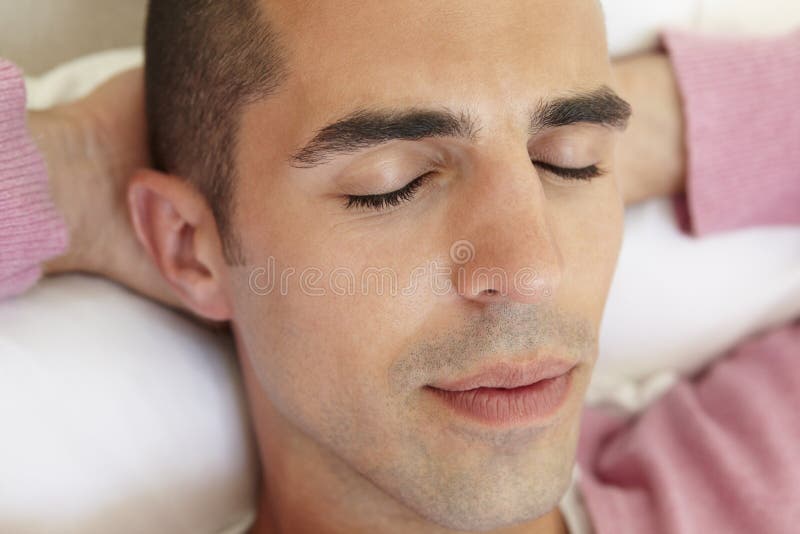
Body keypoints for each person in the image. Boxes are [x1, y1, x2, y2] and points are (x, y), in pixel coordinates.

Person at [0, 1, 798, 533]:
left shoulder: (750, 480)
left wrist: (634, 119)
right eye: (395, 185)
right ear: (187, 246)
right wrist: (65, 169)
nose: (531, 270)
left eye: (571, 162)